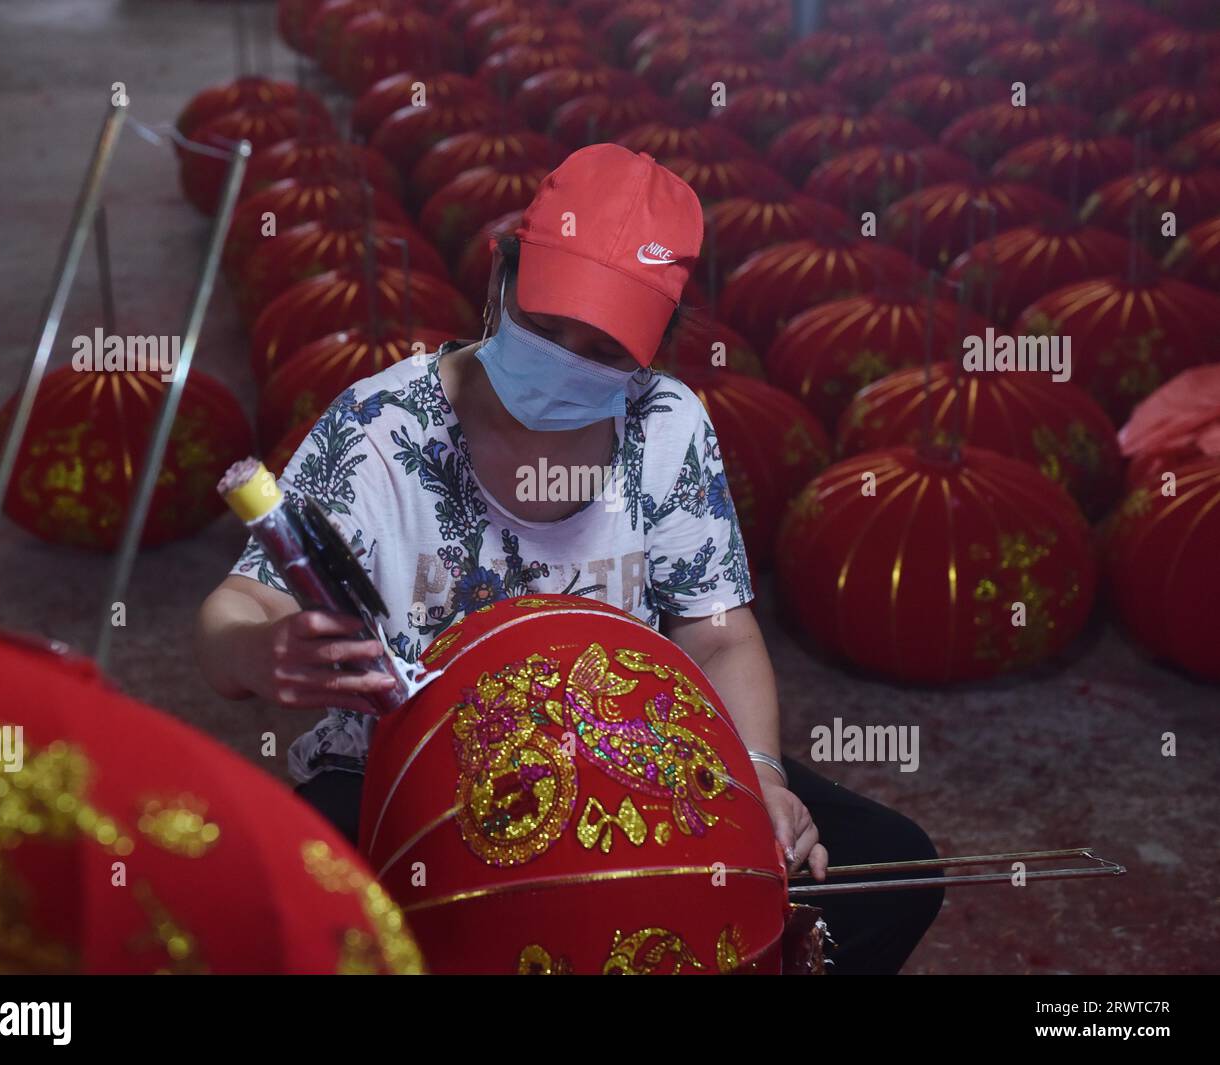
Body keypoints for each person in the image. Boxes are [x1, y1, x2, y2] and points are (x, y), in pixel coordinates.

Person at [194, 143, 942, 974]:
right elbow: (236, 611)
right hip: (403, 768)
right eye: (545, 329)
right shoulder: (382, 430)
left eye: (604, 352)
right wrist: (262, 650)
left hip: (628, 753)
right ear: (499, 281)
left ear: (653, 350)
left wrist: (758, 775)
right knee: (332, 940)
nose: (565, 364)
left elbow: (720, 632)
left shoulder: (668, 425)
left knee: (893, 870)